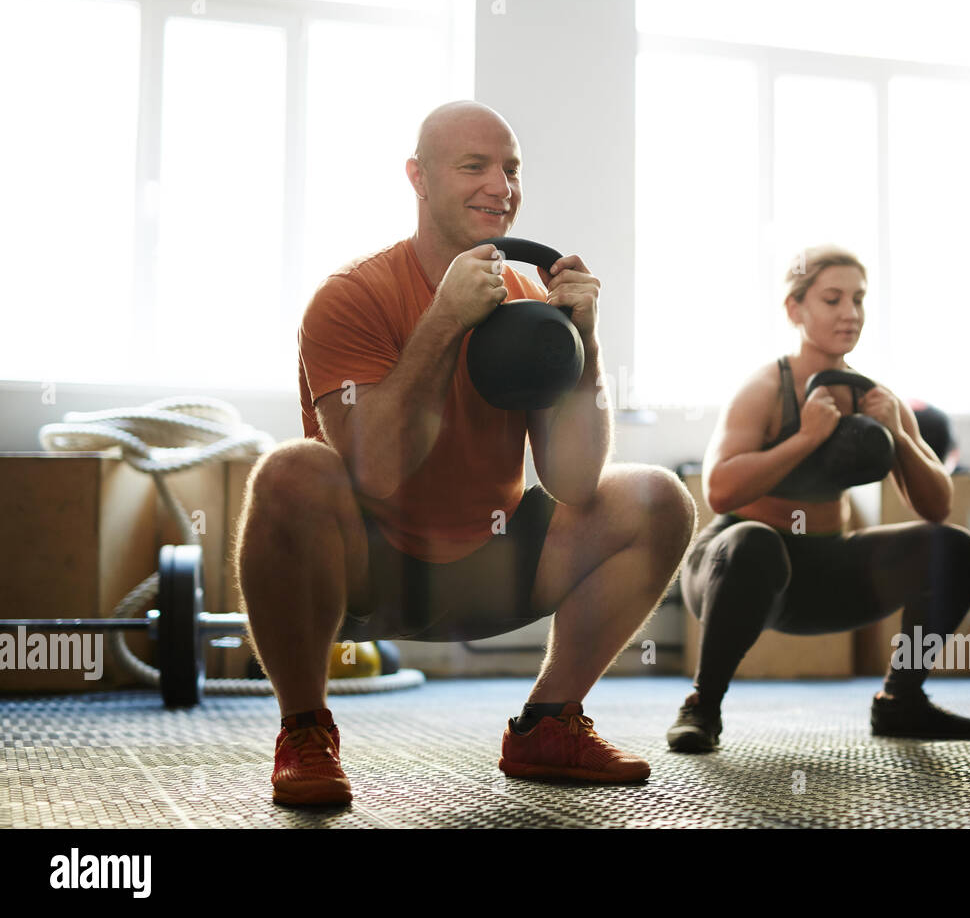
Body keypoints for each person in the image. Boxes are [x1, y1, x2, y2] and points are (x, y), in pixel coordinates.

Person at [234, 101, 696, 805]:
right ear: (418, 177)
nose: (500, 186)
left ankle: (549, 722)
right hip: (373, 571)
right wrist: (446, 319)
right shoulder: (351, 297)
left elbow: (573, 482)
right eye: (474, 166)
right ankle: (305, 731)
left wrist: (585, 348)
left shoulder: (528, 302)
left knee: (659, 498)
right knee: (291, 472)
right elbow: (375, 471)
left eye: (511, 168)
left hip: (495, 564)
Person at [667, 245, 970, 752]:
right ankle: (702, 706)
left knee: (956, 548)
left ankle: (901, 700)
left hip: (824, 570)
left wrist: (898, 437)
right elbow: (720, 489)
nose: (851, 313)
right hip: (736, 567)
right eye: (833, 299)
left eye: (858, 299)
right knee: (755, 542)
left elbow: (936, 507)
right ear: (795, 310)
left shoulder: (878, 396)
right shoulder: (766, 386)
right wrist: (806, 438)